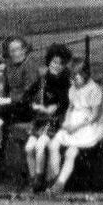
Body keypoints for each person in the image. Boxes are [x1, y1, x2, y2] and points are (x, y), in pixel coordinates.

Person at [0, 36, 42, 174]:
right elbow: (5, 90)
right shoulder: (9, 66)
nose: (14, 53)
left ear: (24, 50)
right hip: (11, 108)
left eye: (17, 49)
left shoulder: (30, 66)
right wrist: (2, 98)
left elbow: (27, 95)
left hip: (25, 108)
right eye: (11, 50)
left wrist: (4, 101)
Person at [44, 60, 103, 194]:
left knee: (71, 153)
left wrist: (77, 126)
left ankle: (60, 183)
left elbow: (95, 115)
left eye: (78, 75)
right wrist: (66, 121)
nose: (75, 79)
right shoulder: (73, 88)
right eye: (73, 76)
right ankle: (54, 175)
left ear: (85, 74)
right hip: (72, 123)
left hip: (86, 126)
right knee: (53, 145)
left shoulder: (94, 89)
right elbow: (70, 107)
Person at [23, 44, 73, 192]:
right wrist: (34, 106)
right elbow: (27, 96)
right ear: (49, 61)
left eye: (61, 63)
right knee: (28, 148)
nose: (56, 66)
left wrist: (52, 109)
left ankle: (39, 179)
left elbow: (64, 104)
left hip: (54, 123)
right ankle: (33, 179)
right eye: (54, 62)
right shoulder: (43, 79)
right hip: (39, 121)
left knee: (39, 146)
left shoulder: (66, 82)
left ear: (64, 65)